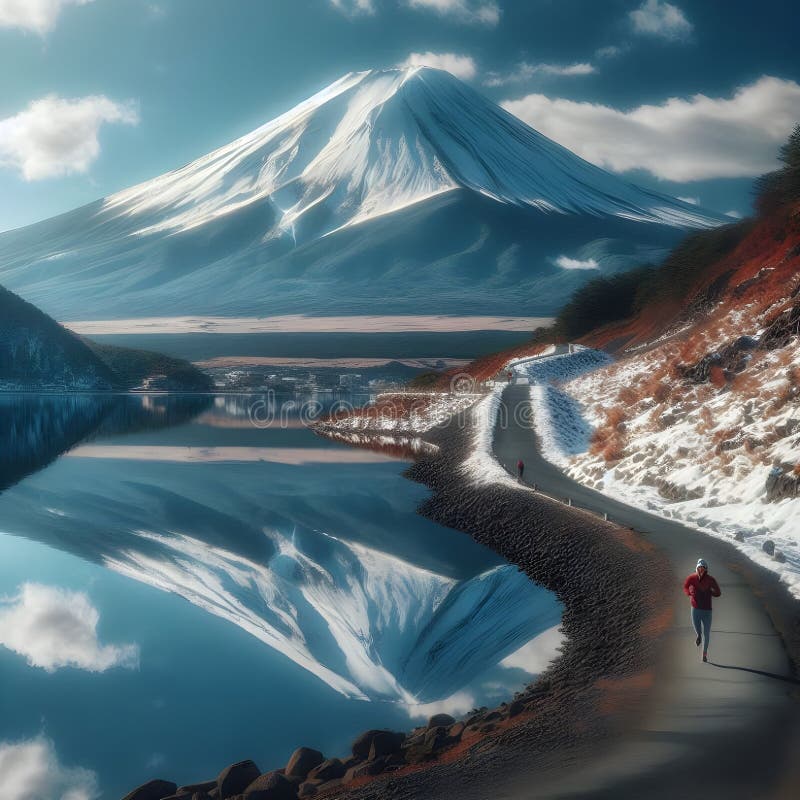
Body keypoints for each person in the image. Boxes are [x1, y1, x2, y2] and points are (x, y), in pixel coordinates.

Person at [683, 558, 721, 662]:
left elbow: (718, 592)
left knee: (707, 633)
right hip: (695, 609)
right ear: (696, 568)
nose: (701, 570)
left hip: (707, 611)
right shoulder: (691, 578)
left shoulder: (711, 580)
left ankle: (704, 654)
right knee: (698, 630)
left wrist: (710, 592)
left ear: (706, 569)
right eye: (699, 568)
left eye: (703, 568)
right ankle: (698, 636)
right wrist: (689, 593)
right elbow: (685, 587)